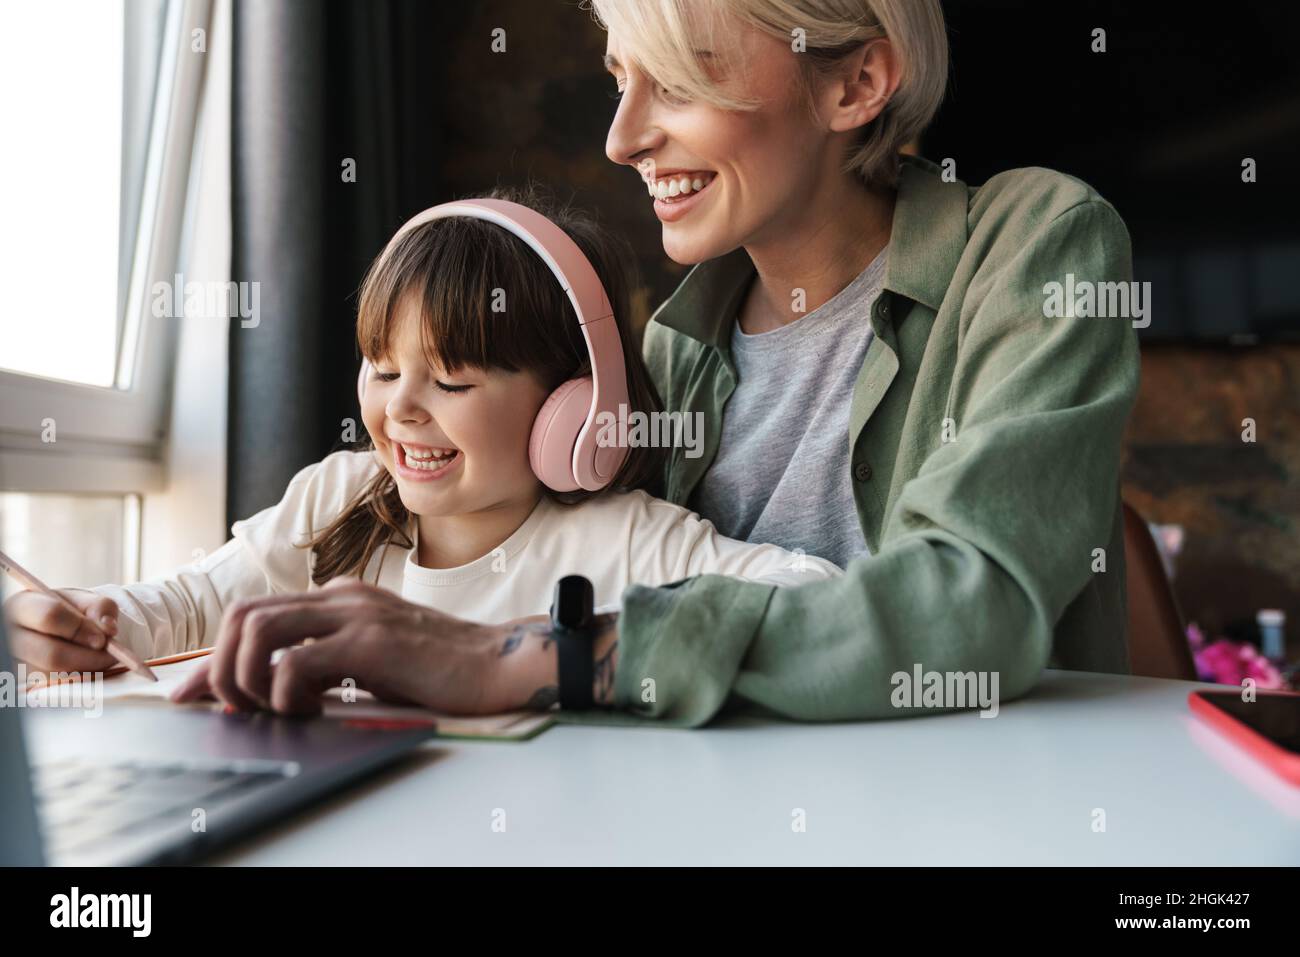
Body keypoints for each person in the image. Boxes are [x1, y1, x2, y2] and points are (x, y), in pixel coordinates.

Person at [2, 185, 838, 715]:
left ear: (573, 410)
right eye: (382, 367)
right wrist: (94, 617)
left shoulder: (627, 539)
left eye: (451, 381)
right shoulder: (341, 497)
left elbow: (817, 600)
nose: (399, 408)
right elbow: (194, 602)